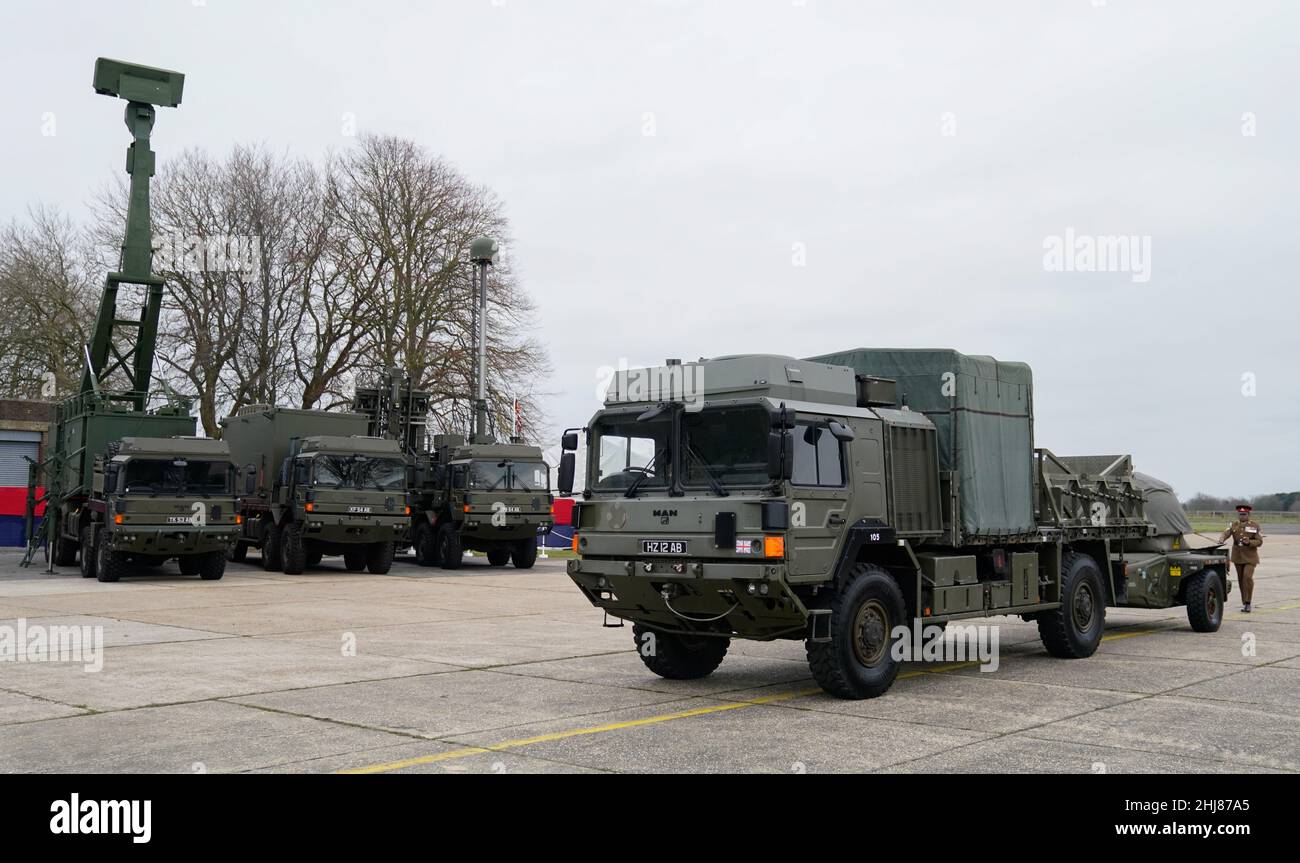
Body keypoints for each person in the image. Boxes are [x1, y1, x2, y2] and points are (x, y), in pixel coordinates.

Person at [1219, 504, 1263, 612]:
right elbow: (1226, 533)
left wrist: (1250, 542)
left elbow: (1260, 541)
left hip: (1250, 557)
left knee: (1247, 578)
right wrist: (1222, 539)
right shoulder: (1234, 525)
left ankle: (1248, 602)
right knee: (1240, 580)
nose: (1242, 516)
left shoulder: (1254, 525)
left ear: (1248, 514)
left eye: (1244, 514)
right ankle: (1245, 602)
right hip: (1238, 557)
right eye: (1240, 514)